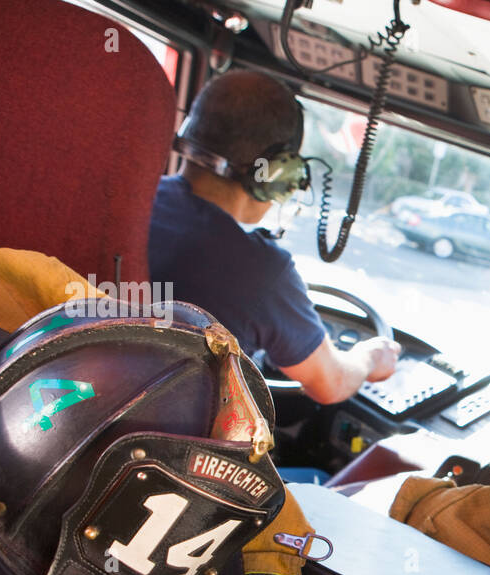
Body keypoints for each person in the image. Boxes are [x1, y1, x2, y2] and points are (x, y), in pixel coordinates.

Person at [149, 69, 399, 404]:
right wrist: (370, 357)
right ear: (277, 172)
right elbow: (331, 384)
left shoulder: (136, 200)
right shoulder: (260, 270)